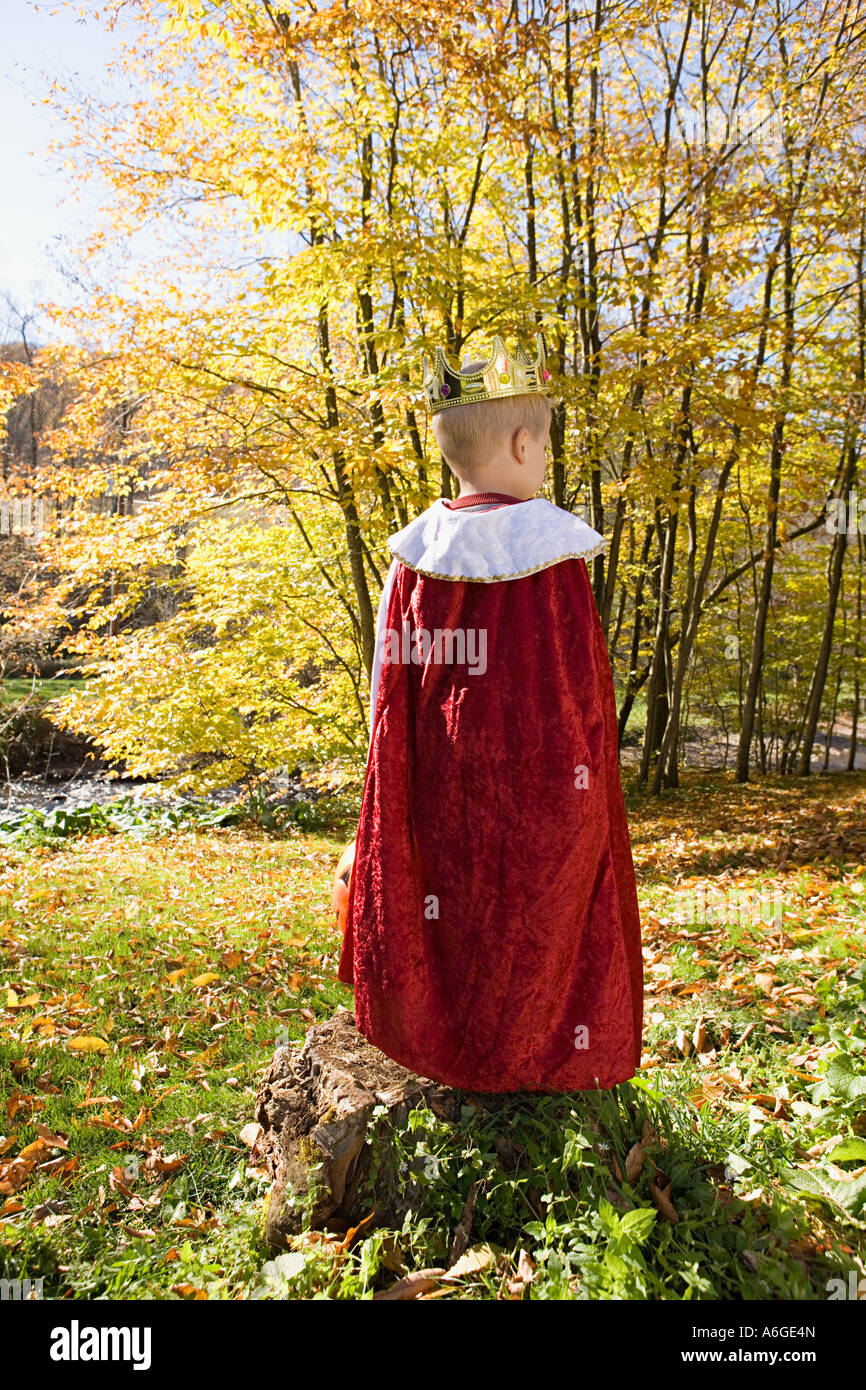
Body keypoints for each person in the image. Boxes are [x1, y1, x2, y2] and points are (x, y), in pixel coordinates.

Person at [337, 333, 643, 1092]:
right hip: (550, 790)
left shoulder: (414, 556)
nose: (544, 464)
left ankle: (457, 1044)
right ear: (519, 442)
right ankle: (536, 1051)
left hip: (441, 783)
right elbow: (585, 690)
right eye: (542, 449)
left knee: (457, 908)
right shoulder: (557, 554)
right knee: (536, 910)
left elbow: (388, 686)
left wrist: (389, 781)